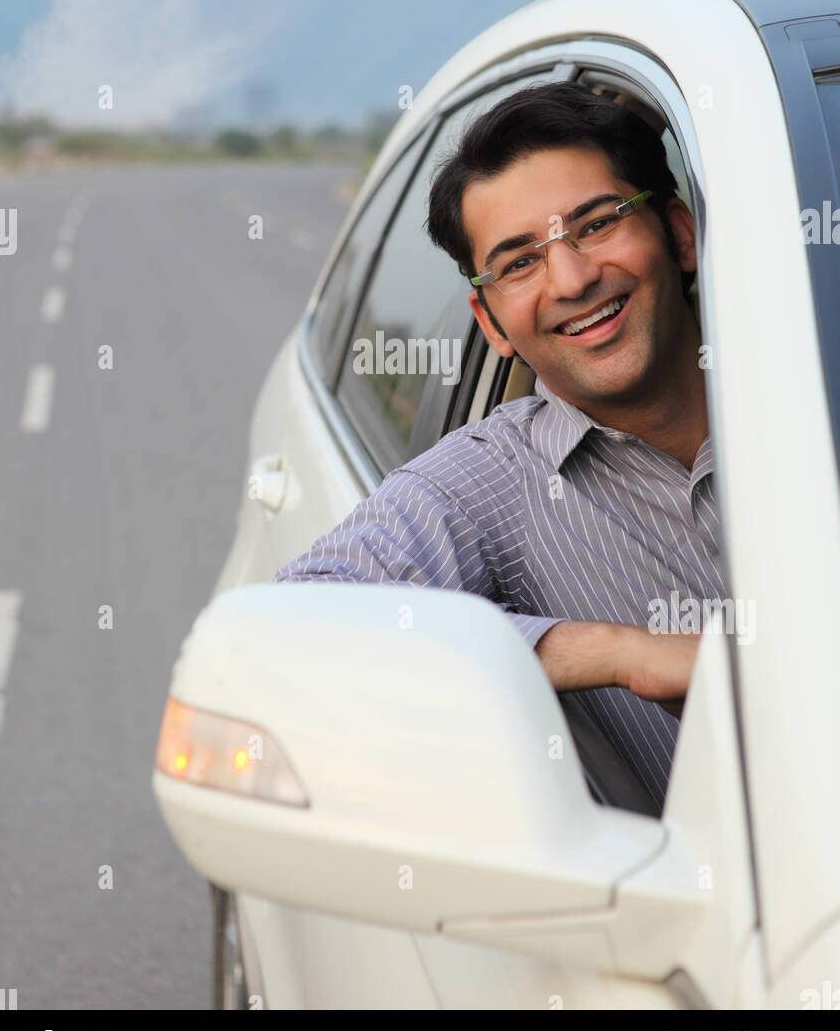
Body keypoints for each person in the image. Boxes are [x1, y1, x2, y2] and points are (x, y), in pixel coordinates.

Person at [274, 82, 721, 812]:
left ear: (678, 231)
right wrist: (618, 653)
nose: (572, 279)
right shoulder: (480, 485)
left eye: (599, 223)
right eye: (519, 263)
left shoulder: (812, 389)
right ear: (489, 320)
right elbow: (296, 628)